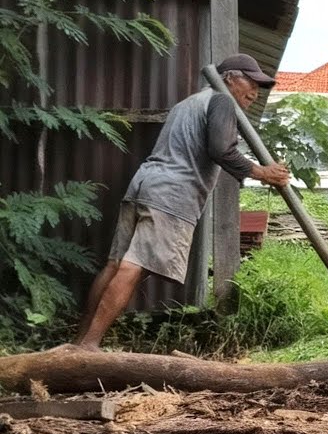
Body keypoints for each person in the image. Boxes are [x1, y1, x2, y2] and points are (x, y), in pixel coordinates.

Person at [72, 54, 291, 350]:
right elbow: (221, 150)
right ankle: (89, 345)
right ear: (229, 78)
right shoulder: (222, 101)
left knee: (115, 265)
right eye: (250, 82)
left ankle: (78, 342)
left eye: (259, 85)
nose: (254, 91)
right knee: (131, 267)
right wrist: (262, 172)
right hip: (171, 195)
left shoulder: (187, 103)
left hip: (144, 184)